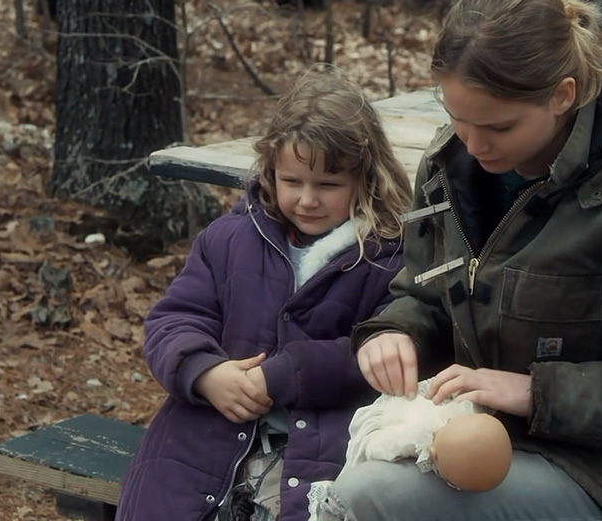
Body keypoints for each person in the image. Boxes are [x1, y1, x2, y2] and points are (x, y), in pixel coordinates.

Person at [328, 0, 602, 521]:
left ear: (562, 96)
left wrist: (536, 393)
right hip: (476, 429)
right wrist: (395, 332)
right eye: (458, 119)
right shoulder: (448, 169)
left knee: (371, 496)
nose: (473, 143)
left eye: (498, 127)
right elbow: (425, 292)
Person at [116, 67, 413, 521]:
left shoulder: (387, 257)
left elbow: (377, 350)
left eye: (328, 185)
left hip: (318, 446)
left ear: (365, 179)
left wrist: (284, 376)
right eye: (292, 182)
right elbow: (174, 319)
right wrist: (203, 373)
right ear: (270, 170)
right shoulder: (229, 239)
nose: (307, 200)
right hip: (203, 435)